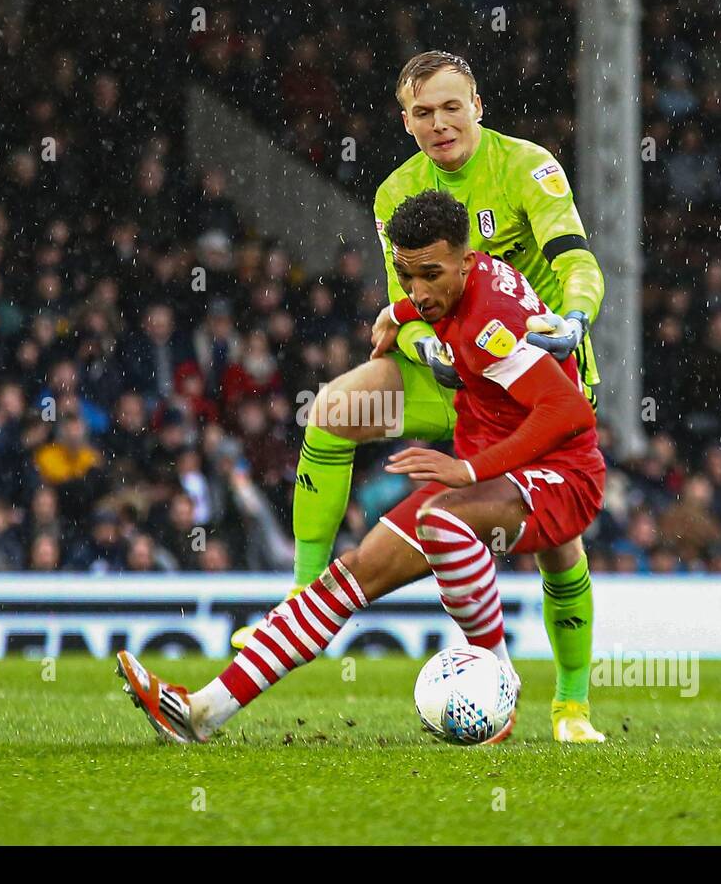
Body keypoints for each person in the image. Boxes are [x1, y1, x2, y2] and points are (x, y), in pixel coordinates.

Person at [117, 191, 605, 744]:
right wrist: (396, 311)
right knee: (347, 577)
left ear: (467, 262)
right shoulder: (459, 283)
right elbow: (430, 296)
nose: (419, 292)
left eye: (430, 276)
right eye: (406, 275)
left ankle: (501, 681)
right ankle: (202, 712)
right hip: (492, 475)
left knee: (442, 520)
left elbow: (568, 411)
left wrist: (469, 472)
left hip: (561, 476)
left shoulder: (490, 322)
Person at [246, 51, 608, 741]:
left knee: (558, 544)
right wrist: (430, 350)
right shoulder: (395, 195)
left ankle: (570, 705)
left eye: (451, 107)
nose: (439, 123)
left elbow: (574, 258)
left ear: (478, 106)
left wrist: (577, 321)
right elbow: (400, 308)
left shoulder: (528, 166)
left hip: (532, 378)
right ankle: (303, 593)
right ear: (405, 120)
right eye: (423, 112)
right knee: (332, 410)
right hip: (446, 375)